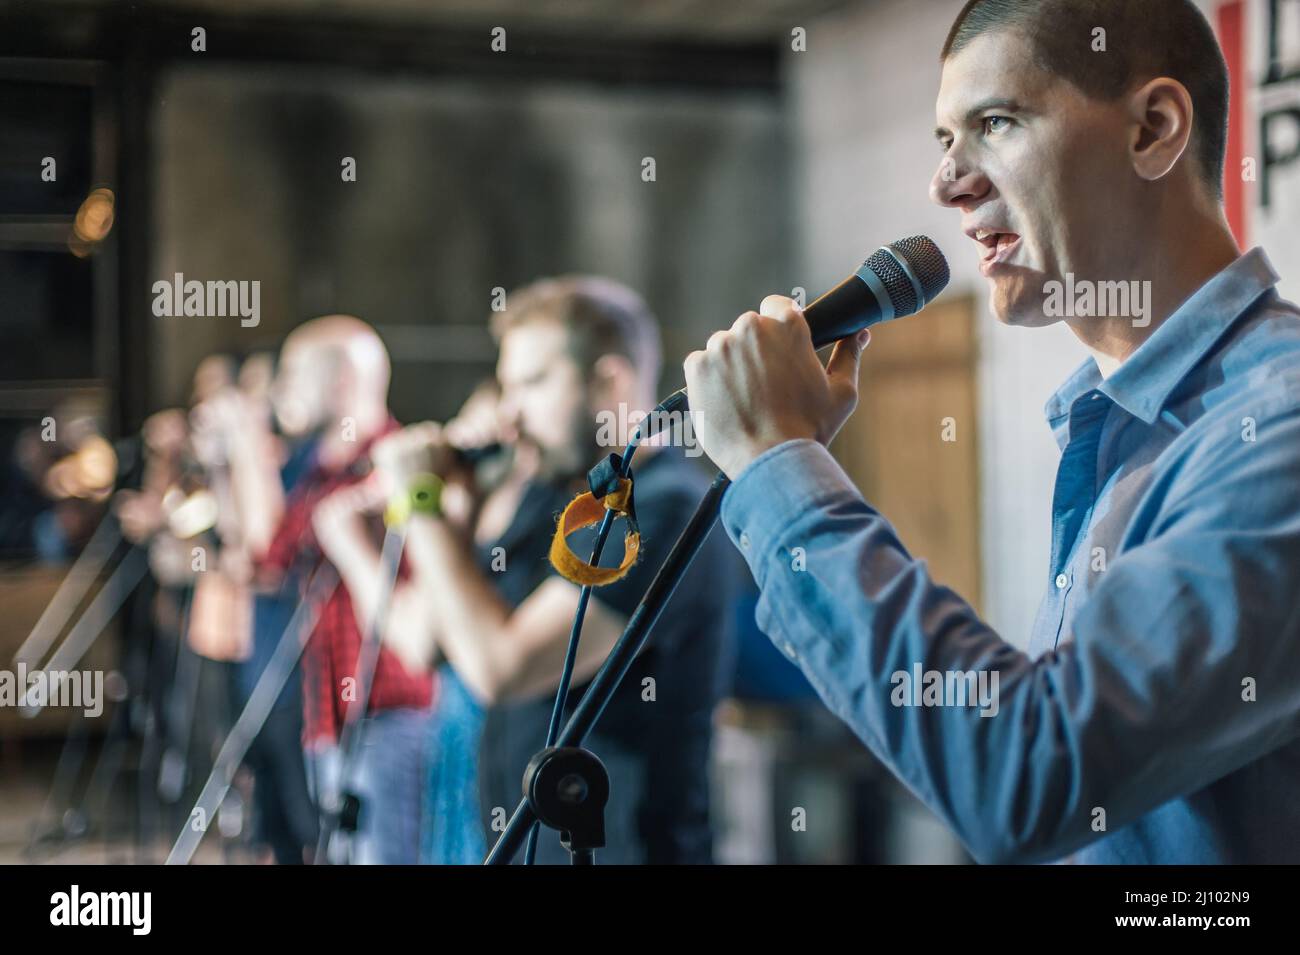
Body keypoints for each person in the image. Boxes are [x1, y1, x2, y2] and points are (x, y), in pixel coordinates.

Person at [682, 0, 1300, 864]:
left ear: (1154, 129)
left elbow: (1032, 774)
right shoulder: (1117, 423)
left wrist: (783, 469)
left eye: (997, 124)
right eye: (944, 140)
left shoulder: (1276, 425)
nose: (947, 183)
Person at [331, 277, 738, 863]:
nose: (510, 414)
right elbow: (427, 641)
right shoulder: (552, 500)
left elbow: (502, 667)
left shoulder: (664, 506)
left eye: (532, 384)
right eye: (506, 387)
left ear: (610, 380)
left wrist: (417, 501)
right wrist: (457, 512)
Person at [226, 314, 435, 864]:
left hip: (394, 715)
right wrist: (247, 452)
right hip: (330, 715)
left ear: (342, 379)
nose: (281, 389)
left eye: (294, 373)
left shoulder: (402, 462)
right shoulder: (320, 469)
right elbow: (269, 557)